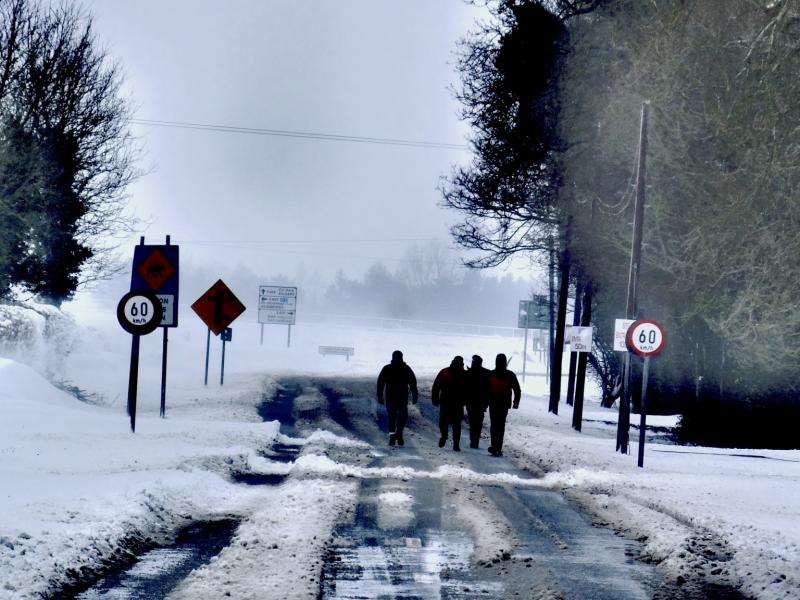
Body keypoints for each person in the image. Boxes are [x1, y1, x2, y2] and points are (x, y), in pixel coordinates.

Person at [376, 350, 418, 446]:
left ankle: (397, 433)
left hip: (396, 397)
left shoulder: (392, 368)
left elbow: (413, 382)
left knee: (395, 416)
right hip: (396, 397)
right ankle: (395, 435)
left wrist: (380, 396)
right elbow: (380, 383)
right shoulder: (401, 368)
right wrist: (380, 396)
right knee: (397, 416)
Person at [487, 353, 521, 457]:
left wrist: (485, 402)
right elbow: (517, 390)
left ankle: (494, 446)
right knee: (501, 426)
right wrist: (516, 402)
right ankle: (498, 448)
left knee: (494, 425)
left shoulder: (491, 374)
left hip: (493, 403)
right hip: (504, 404)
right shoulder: (510, 375)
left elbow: (486, 390)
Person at [432, 355, 467, 451]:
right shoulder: (445, 372)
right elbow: (436, 386)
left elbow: (469, 390)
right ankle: (445, 437)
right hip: (447, 402)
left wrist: (465, 401)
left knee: (456, 424)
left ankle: (455, 444)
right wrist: (435, 398)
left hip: (456, 403)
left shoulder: (464, 374)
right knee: (446, 423)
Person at [465, 355, 490, 449]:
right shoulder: (486, 373)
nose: (472, 363)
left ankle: (473, 441)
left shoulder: (469, 372)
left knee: (473, 422)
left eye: (473, 361)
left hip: (472, 402)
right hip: (480, 403)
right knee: (477, 422)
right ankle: (475, 441)